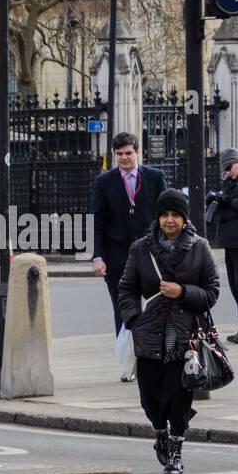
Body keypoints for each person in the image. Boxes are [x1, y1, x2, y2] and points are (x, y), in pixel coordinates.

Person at [117, 189, 220, 474]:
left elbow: (212, 292)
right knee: (150, 398)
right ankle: (160, 432)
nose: (170, 220)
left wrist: (183, 292)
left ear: (184, 218)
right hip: (150, 333)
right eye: (165, 214)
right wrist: (134, 319)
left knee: (178, 396)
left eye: (176, 215)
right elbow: (126, 288)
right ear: (158, 218)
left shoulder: (199, 247)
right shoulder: (141, 248)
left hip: (185, 335)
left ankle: (175, 450)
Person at [90, 131, 168, 351]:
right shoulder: (104, 182)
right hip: (116, 257)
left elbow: (166, 215)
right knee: (123, 308)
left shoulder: (154, 177)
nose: (124, 158)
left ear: (137, 152)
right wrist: (97, 256)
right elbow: (96, 221)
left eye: (128, 153)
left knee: (157, 305)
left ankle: (153, 351)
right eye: (119, 154)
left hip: (151, 254)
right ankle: (128, 358)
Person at [212, 147, 238, 344]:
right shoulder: (230, 182)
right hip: (230, 243)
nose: (227, 170)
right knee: (235, 286)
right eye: (225, 167)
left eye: (229, 166)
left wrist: (227, 201)